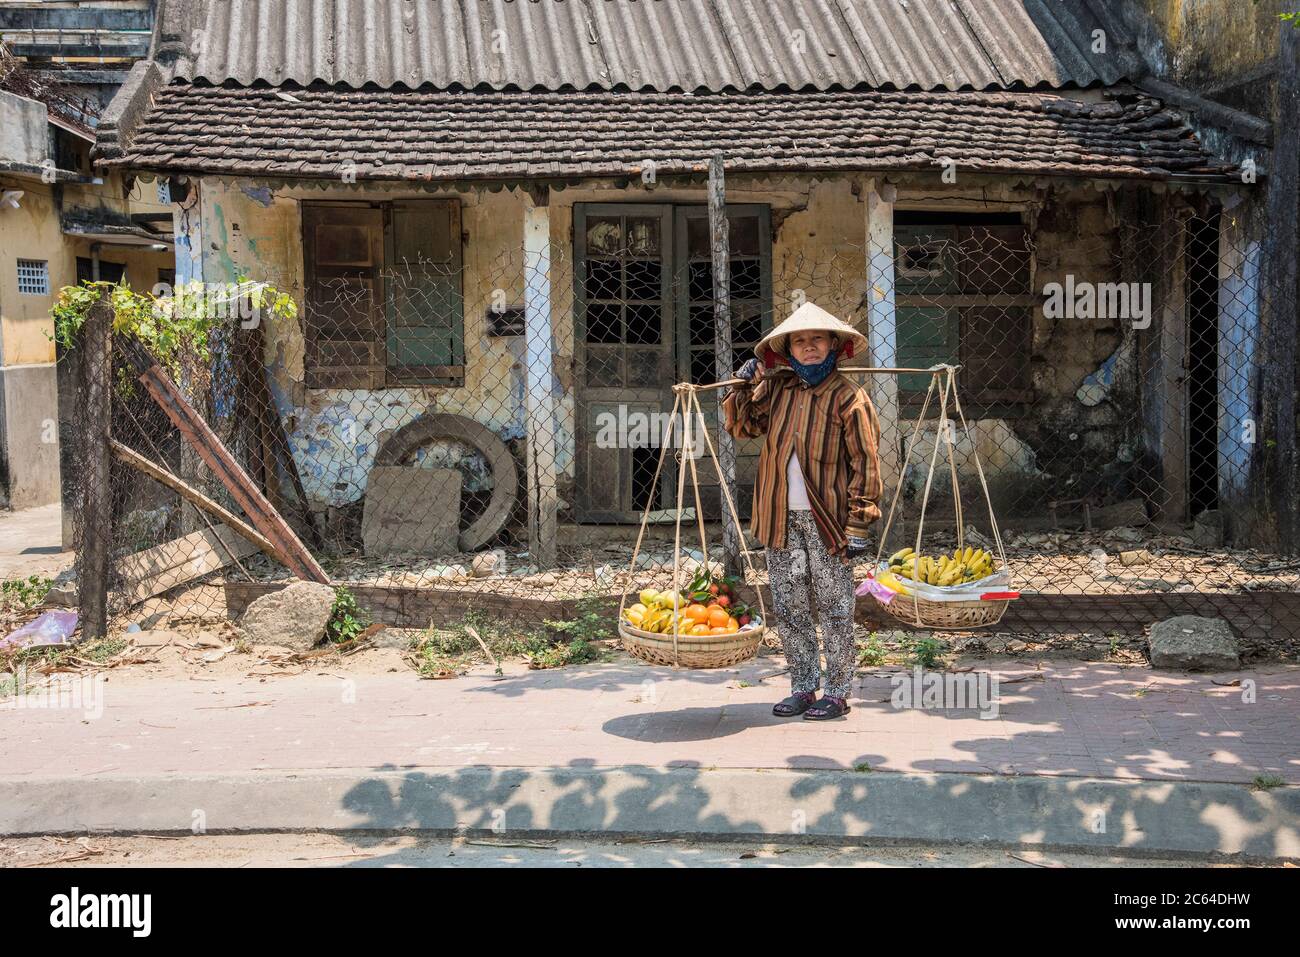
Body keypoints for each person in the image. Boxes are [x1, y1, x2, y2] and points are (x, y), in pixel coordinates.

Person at [723, 302, 883, 720]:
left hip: (828, 520)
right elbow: (742, 426)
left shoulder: (850, 397)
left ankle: (838, 689)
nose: (809, 347)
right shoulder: (779, 390)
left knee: (834, 605)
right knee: (790, 603)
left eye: (817, 339)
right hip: (779, 517)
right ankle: (803, 685)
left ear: (833, 345)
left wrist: (860, 525)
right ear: (789, 351)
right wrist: (742, 387)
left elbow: (866, 464)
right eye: (800, 341)